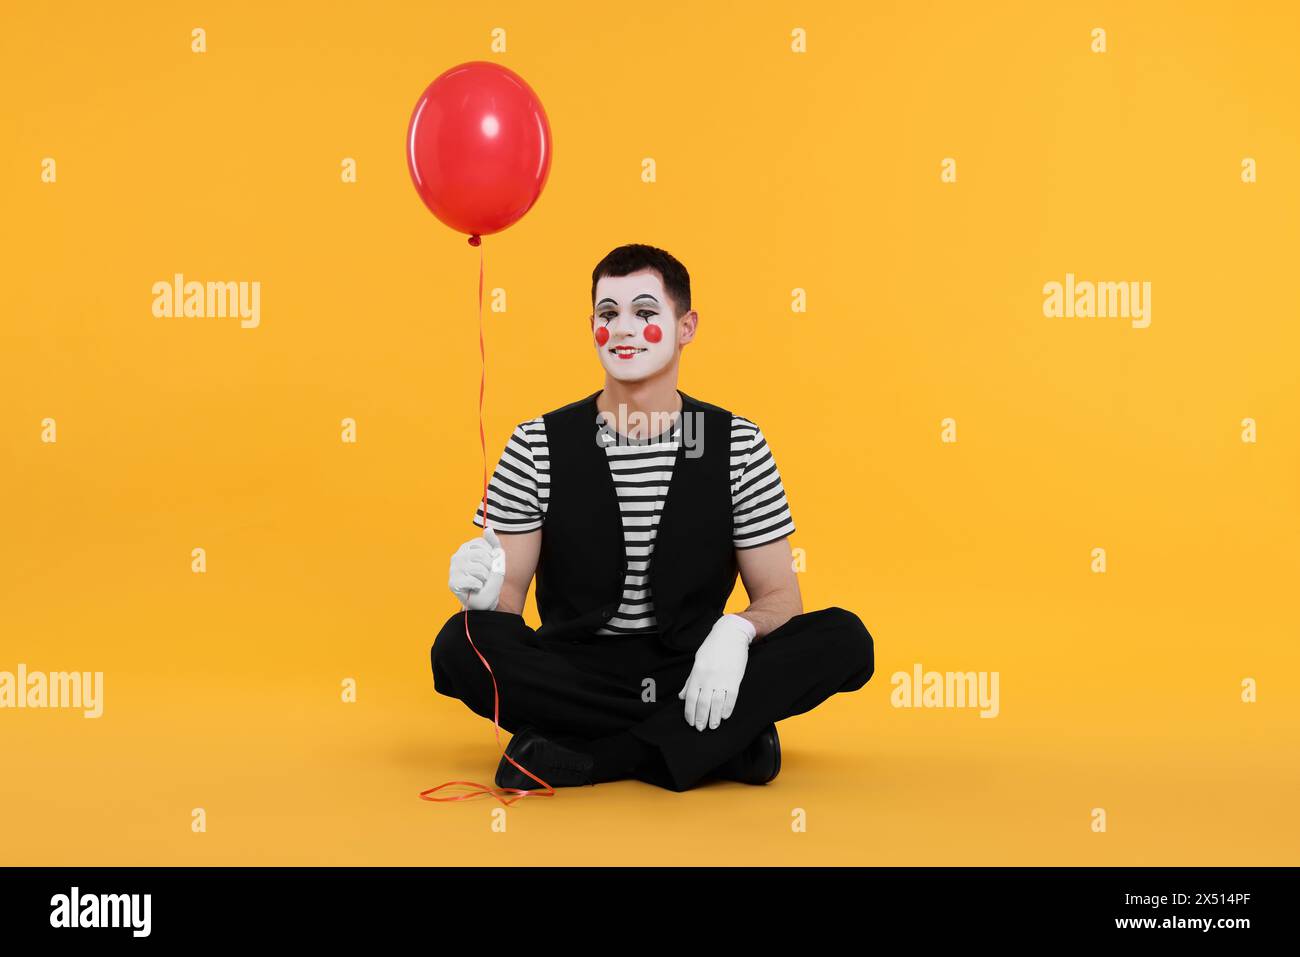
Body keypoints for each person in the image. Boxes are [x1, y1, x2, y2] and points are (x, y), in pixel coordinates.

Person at [431, 243, 874, 792]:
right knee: (458, 644)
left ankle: (593, 757)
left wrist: (734, 632)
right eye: (607, 314)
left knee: (844, 638)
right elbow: (508, 602)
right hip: (574, 671)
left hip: (697, 672)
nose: (622, 329)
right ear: (590, 325)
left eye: (644, 313)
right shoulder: (535, 444)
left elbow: (781, 596)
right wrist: (481, 597)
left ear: (686, 326)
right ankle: (719, 746)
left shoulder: (737, 443)